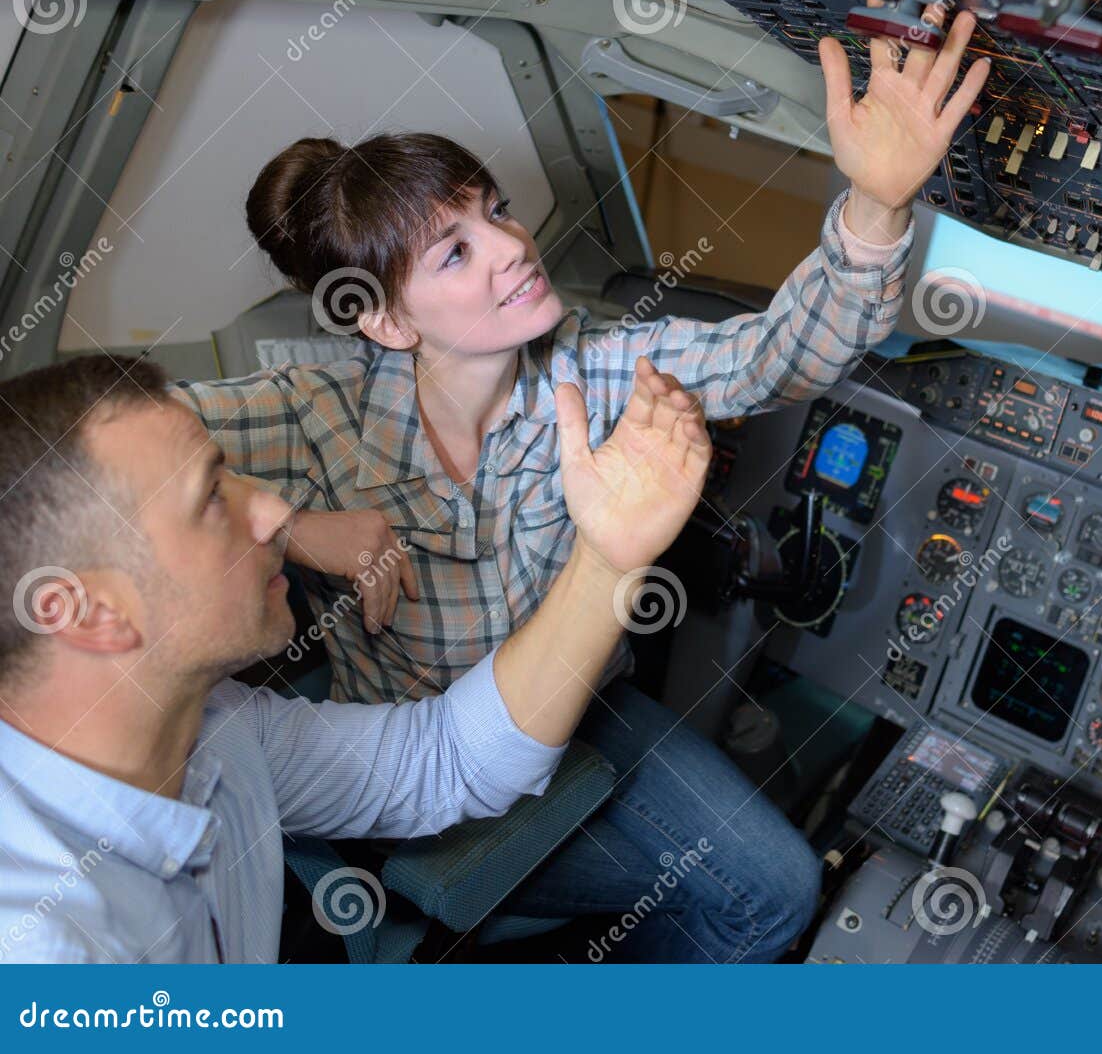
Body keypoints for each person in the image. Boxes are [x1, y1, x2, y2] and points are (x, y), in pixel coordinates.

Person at [172, 11, 991, 961]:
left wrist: (876, 205)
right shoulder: (314, 414)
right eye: (455, 252)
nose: (512, 246)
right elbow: (88, 448)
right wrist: (296, 525)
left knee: (777, 889)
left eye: (496, 212)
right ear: (390, 323)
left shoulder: (591, 372)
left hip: (585, 712)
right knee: (759, 896)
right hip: (409, 766)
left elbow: (777, 357)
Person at [0, 352, 711, 963]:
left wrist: (606, 560)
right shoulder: (39, 944)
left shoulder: (218, 728)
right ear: (87, 614)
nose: (274, 513)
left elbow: (446, 761)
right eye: (212, 496)